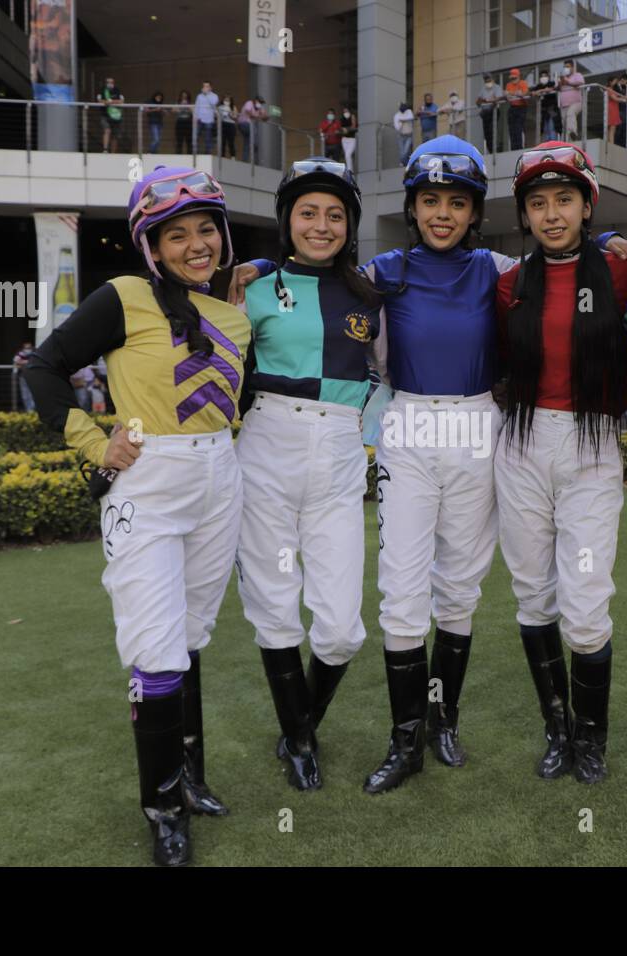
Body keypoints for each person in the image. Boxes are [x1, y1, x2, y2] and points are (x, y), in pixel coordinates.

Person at [227, 135, 627, 794]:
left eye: (454, 202)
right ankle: (405, 740)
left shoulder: (499, 271)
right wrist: (253, 262)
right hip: (408, 429)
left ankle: (443, 720)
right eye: (428, 201)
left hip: (481, 427)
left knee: (461, 588)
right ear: (412, 207)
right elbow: (319, 272)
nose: (441, 214)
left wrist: (613, 238)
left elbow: (564, 259)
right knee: (402, 590)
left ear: (473, 210)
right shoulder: (383, 271)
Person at [25, 165, 251, 866]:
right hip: (149, 484)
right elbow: (42, 367)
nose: (196, 244)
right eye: (176, 234)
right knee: (156, 649)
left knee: (188, 636)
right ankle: (162, 810)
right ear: (152, 246)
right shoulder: (124, 296)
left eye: (205, 229)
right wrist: (96, 445)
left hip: (221, 477)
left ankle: (191, 779)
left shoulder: (235, 317)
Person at [237, 158, 382, 792]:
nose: (320, 226)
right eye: (307, 213)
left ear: (349, 225)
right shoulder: (248, 288)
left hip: (341, 452)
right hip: (265, 446)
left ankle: (301, 722)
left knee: (344, 628)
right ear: (286, 221)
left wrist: (604, 241)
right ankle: (300, 740)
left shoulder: (374, 291)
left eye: (334, 215)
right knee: (274, 609)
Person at [496, 142, 627, 785]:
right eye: (537, 203)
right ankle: (558, 730)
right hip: (521, 446)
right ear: (524, 214)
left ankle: (592, 737)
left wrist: (619, 244)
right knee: (533, 596)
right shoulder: (506, 283)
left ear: (587, 205)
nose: (551, 214)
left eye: (564, 200)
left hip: (592, 448)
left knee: (584, 607)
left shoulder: (620, 271)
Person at [558, 60, 585, 140]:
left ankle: (573, 132)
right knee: (564, 122)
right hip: (564, 104)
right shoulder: (563, 78)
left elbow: (580, 83)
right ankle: (567, 140)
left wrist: (568, 82)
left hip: (576, 102)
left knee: (570, 113)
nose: (566, 68)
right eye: (565, 67)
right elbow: (558, 88)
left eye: (568, 67)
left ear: (572, 68)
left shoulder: (577, 75)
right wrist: (561, 81)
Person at [97, 76, 125, 153]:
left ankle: (113, 153)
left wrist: (110, 102)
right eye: (108, 82)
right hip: (105, 115)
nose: (110, 84)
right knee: (107, 130)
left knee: (115, 135)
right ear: (105, 83)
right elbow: (99, 101)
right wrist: (106, 102)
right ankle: (105, 149)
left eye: (111, 82)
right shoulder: (102, 90)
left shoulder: (117, 90)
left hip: (116, 116)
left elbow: (121, 101)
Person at [505, 69, 530, 151]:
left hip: (521, 107)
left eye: (514, 78)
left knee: (519, 128)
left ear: (518, 77)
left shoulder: (523, 83)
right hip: (513, 107)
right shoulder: (509, 85)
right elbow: (508, 96)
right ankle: (513, 148)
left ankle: (519, 147)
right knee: (512, 129)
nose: (513, 80)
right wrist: (517, 93)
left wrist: (514, 93)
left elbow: (524, 94)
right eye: (512, 78)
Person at [475, 75, 502, 152]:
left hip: (494, 111)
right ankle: (490, 150)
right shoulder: (483, 89)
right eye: (486, 81)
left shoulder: (496, 87)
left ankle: (496, 148)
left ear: (492, 80)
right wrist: (488, 100)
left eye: (489, 80)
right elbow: (478, 102)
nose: (487, 82)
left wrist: (486, 100)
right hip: (485, 113)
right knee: (487, 133)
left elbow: (497, 99)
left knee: (492, 130)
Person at [239, 95, 268, 162]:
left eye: (261, 103)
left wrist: (265, 116)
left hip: (250, 125)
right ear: (255, 100)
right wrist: (259, 116)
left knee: (247, 142)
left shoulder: (260, 108)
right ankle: (254, 144)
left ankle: (245, 160)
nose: (260, 104)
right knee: (254, 136)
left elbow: (265, 117)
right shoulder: (249, 103)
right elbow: (248, 113)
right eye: (259, 102)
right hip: (244, 123)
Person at [532, 70, 559, 141]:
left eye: (545, 76)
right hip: (543, 110)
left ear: (548, 77)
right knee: (545, 128)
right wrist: (541, 91)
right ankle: (547, 144)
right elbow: (532, 92)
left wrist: (541, 91)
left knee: (552, 127)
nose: (543, 78)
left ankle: (553, 143)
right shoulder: (539, 86)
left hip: (552, 109)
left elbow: (555, 88)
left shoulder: (551, 83)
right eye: (542, 76)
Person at [606, 75, 627, 146]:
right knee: (612, 127)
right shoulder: (609, 89)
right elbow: (616, 98)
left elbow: (618, 96)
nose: (616, 82)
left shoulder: (612, 89)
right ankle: (611, 144)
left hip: (615, 108)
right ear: (610, 82)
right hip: (612, 108)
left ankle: (611, 143)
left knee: (613, 128)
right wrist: (626, 99)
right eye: (615, 81)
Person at [194, 82, 218, 155]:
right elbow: (197, 106)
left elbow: (213, 103)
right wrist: (195, 116)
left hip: (209, 119)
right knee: (196, 135)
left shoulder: (214, 96)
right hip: (200, 118)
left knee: (208, 137)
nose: (205, 88)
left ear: (210, 88)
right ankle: (196, 152)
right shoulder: (199, 96)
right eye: (204, 86)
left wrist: (207, 94)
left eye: (207, 86)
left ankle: (207, 153)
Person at [392, 101, 415, 166]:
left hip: (409, 134)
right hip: (401, 135)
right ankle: (404, 163)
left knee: (406, 150)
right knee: (402, 152)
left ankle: (406, 163)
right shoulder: (396, 115)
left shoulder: (409, 111)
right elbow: (397, 127)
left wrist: (402, 120)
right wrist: (402, 123)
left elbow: (411, 118)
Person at [218, 95, 238, 159]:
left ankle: (233, 157)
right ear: (223, 101)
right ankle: (222, 156)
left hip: (231, 125)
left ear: (230, 101)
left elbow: (235, 117)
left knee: (231, 142)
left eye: (228, 100)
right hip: (223, 124)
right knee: (222, 141)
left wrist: (230, 113)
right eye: (225, 100)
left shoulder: (233, 107)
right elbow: (217, 116)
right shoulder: (220, 107)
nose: (226, 101)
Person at [340, 107, 358, 172]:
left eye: (346, 111)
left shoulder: (352, 116)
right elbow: (341, 128)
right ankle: (349, 169)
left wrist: (346, 129)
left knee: (348, 154)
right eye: (344, 112)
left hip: (352, 139)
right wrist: (344, 130)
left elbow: (354, 126)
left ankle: (350, 171)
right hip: (344, 139)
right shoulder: (342, 119)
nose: (345, 113)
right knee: (347, 156)